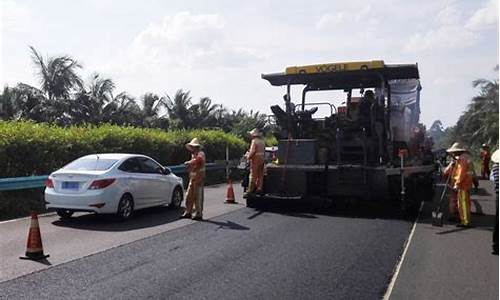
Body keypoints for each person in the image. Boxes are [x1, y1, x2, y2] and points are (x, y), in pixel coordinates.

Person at [444, 142, 474, 227]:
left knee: (463, 203)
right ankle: (464, 219)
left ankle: (465, 222)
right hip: (466, 183)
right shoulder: (464, 158)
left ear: (457, 151)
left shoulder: (462, 159)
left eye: (454, 152)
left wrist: (457, 183)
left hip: (463, 184)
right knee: (464, 202)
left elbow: (461, 173)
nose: (453, 153)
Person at [180, 138, 206, 221]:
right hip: (193, 178)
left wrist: (189, 162)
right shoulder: (193, 155)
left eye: (193, 146)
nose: (192, 148)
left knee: (198, 196)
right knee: (189, 195)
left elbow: (198, 160)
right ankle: (188, 212)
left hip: (199, 178)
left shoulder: (201, 154)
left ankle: (199, 214)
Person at [243, 128, 265, 198]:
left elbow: (252, 152)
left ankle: (250, 190)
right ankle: (259, 188)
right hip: (262, 160)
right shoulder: (262, 141)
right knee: (260, 175)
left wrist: (248, 157)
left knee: (253, 175)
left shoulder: (254, 141)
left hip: (256, 160)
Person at [490, 149, 498, 255]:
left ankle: (495, 245)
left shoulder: (495, 168)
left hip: (498, 196)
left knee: (497, 221)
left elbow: (492, 178)